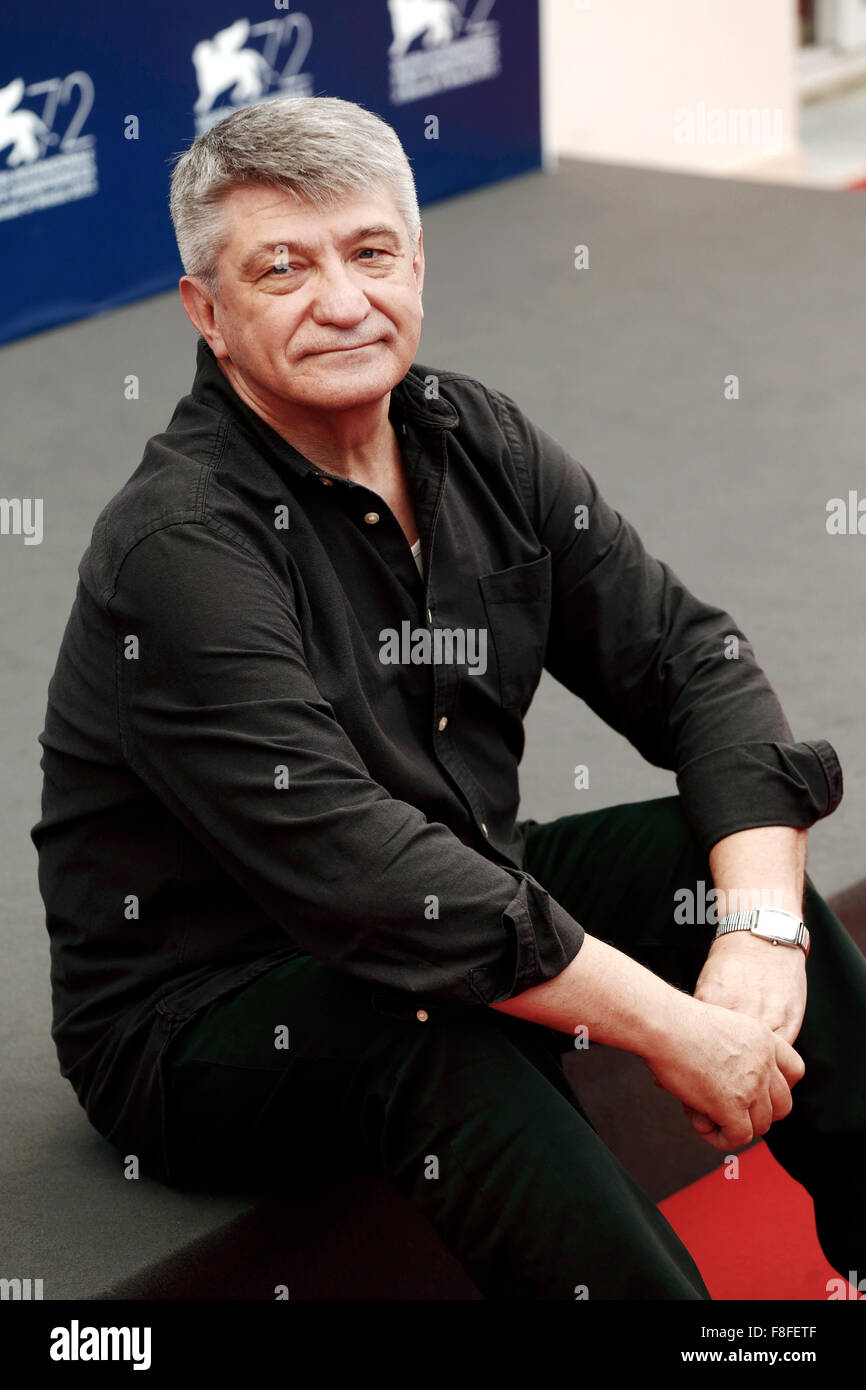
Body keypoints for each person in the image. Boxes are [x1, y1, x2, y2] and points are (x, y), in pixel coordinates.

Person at [31, 95, 864, 1301]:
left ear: (416, 264)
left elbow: (692, 662)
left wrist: (757, 932)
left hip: (467, 893)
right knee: (427, 1029)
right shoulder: (178, 548)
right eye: (283, 267)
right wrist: (682, 1032)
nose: (341, 298)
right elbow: (370, 878)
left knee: (716, 852)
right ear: (206, 314)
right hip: (209, 1012)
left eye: (369, 253)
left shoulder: (478, 440)